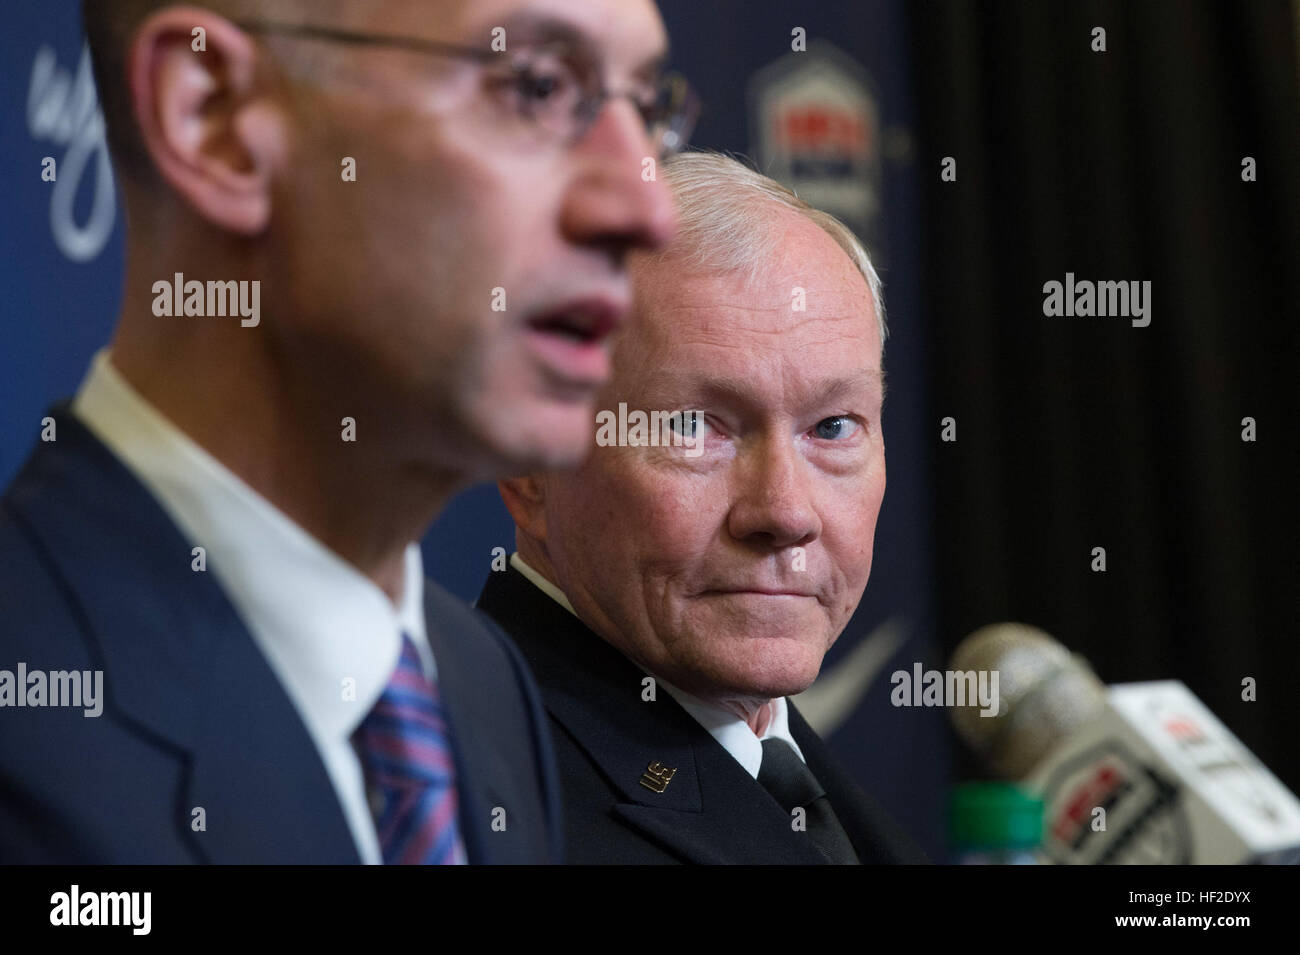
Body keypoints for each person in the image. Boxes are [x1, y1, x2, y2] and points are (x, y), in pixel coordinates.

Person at [0, 0, 691, 863]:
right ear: (212, 120)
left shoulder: (481, 686)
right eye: (537, 85)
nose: (645, 206)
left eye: (648, 105)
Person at [477, 151, 925, 864]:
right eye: (694, 427)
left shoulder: (793, 773)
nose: (784, 511)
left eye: (833, 427)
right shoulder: (473, 807)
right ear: (530, 466)